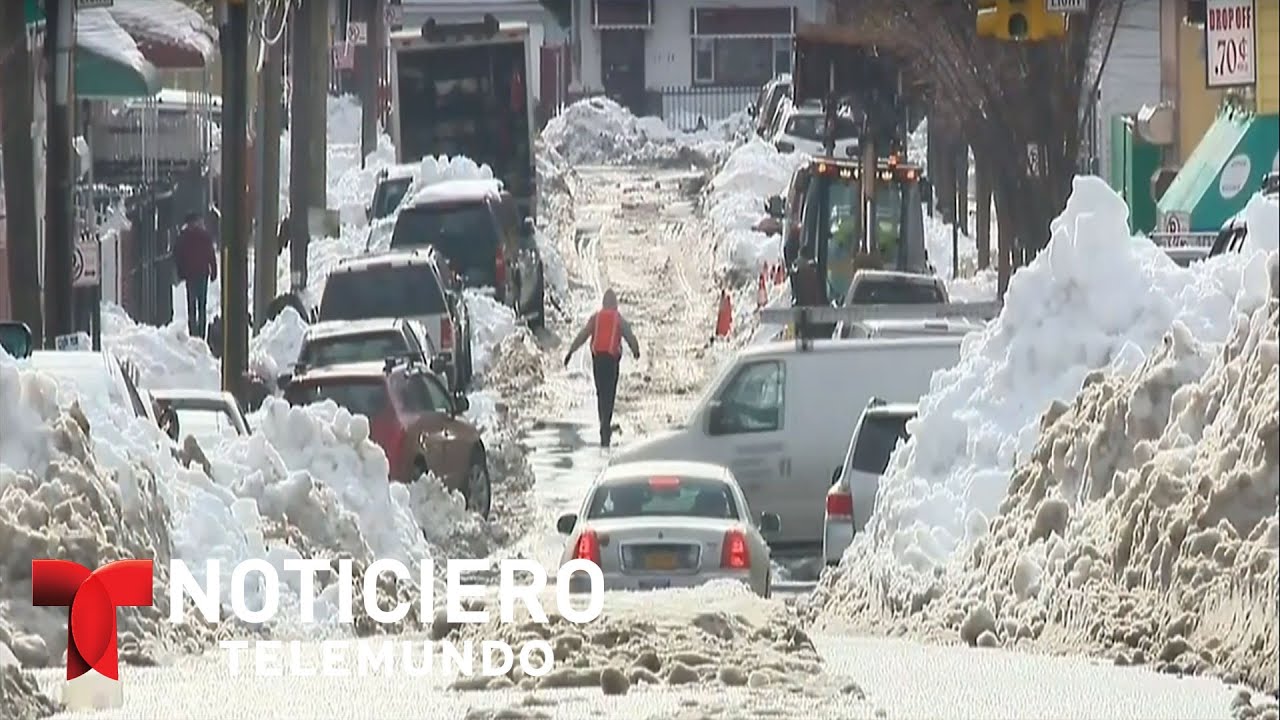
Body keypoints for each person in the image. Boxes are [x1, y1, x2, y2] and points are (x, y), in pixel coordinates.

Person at [563, 289, 640, 447]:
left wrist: (570, 352)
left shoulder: (596, 318)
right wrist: (635, 350)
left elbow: (583, 336)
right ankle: (606, 424)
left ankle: (603, 424)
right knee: (609, 393)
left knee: (600, 393)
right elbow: (629, 335)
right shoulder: (618, 319)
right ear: (615, 304)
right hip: (612, 361)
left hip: (598, 360)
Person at [174, 212, 217, 339]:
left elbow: (177, 255)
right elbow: (211, 254)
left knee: (191, 305)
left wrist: (181, 272)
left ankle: (193, 332)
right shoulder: (205, 236)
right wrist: (213, 271)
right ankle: (201, 333)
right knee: (202, 305)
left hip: (190, 275)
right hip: (203, 273)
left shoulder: (184, 237)